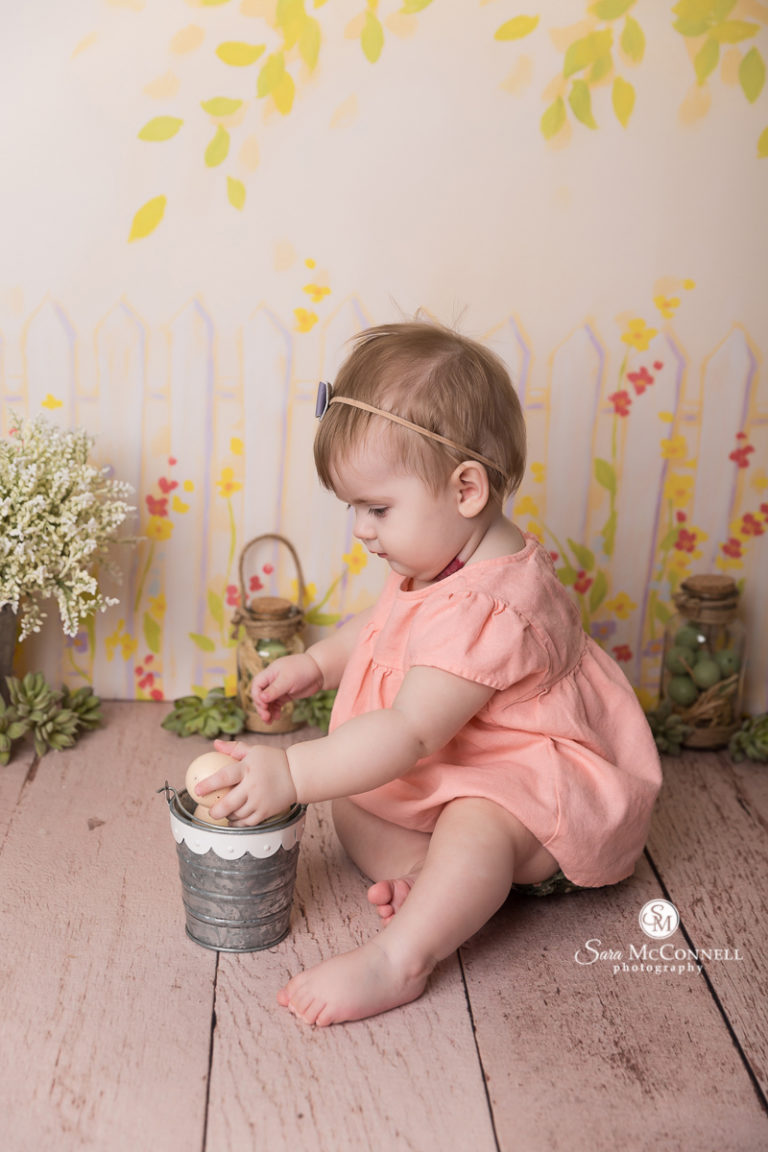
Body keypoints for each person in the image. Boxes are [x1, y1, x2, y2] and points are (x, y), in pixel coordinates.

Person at [196, 319, 662, 1027]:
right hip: (464, 756)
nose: (360, 529)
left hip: (535, 794)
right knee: (355, 795)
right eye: (355, 507)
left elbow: (411, 731)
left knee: (473, 823)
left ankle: (402, 958)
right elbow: (385, 625)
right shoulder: (441, 553)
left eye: (377, 508)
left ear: (466, 487)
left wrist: (289, 774)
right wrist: (318, 664)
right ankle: (440, 880)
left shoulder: (493, 604)